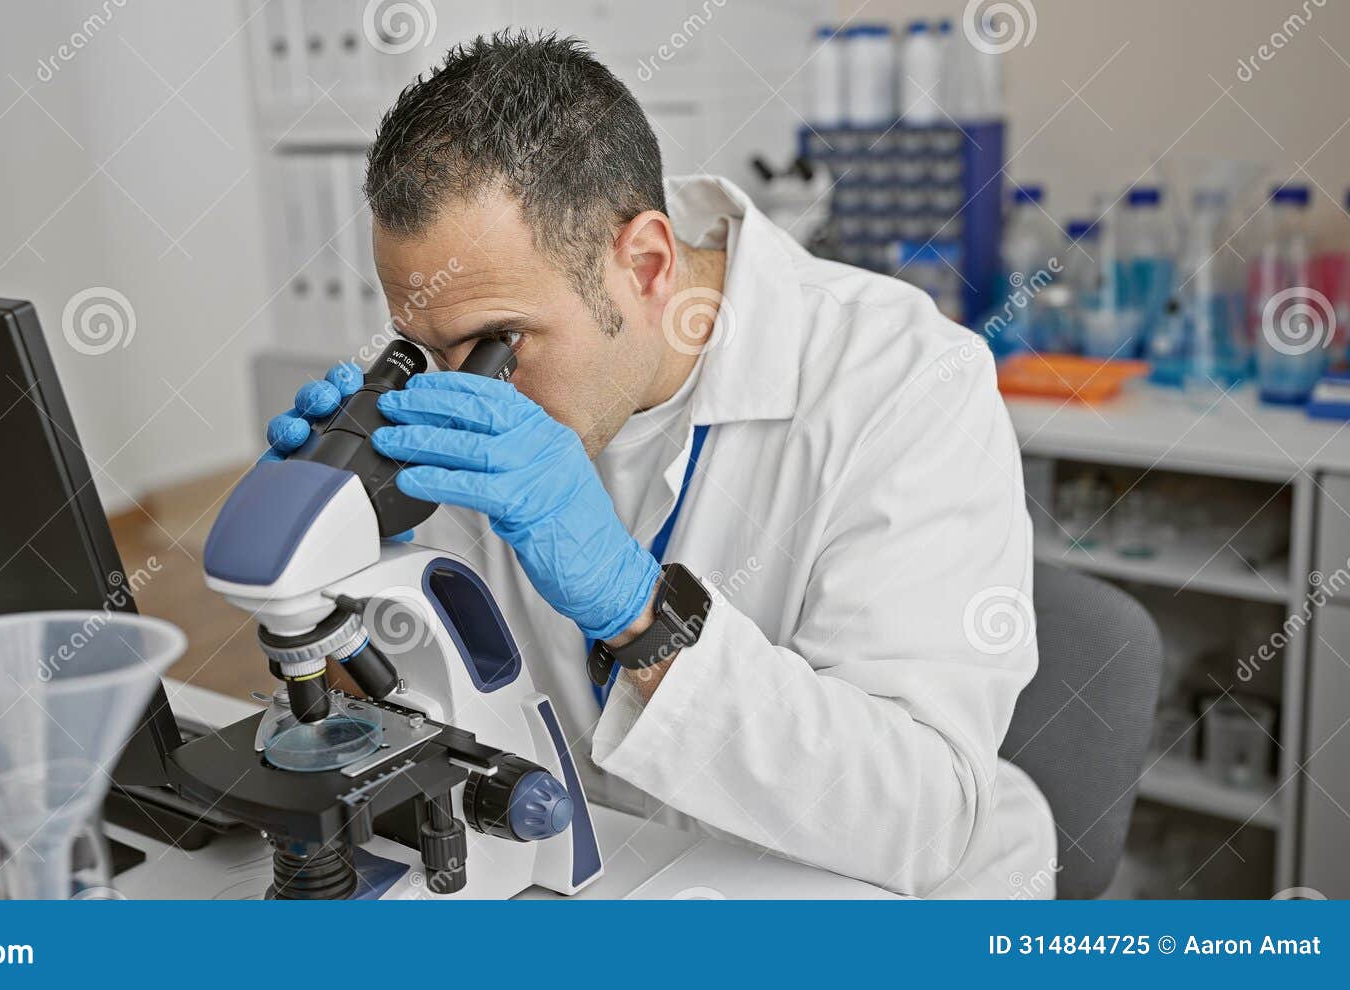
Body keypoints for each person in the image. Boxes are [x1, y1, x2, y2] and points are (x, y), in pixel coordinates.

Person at [265, 31, 1054, 898]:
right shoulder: (484, 329)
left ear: (645, 264)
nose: (462, 392)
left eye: (498, 346)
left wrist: (640, 613)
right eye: (420, 350)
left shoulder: (904, 380)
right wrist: (343, 569)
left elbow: (924, 818)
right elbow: (416, 714)